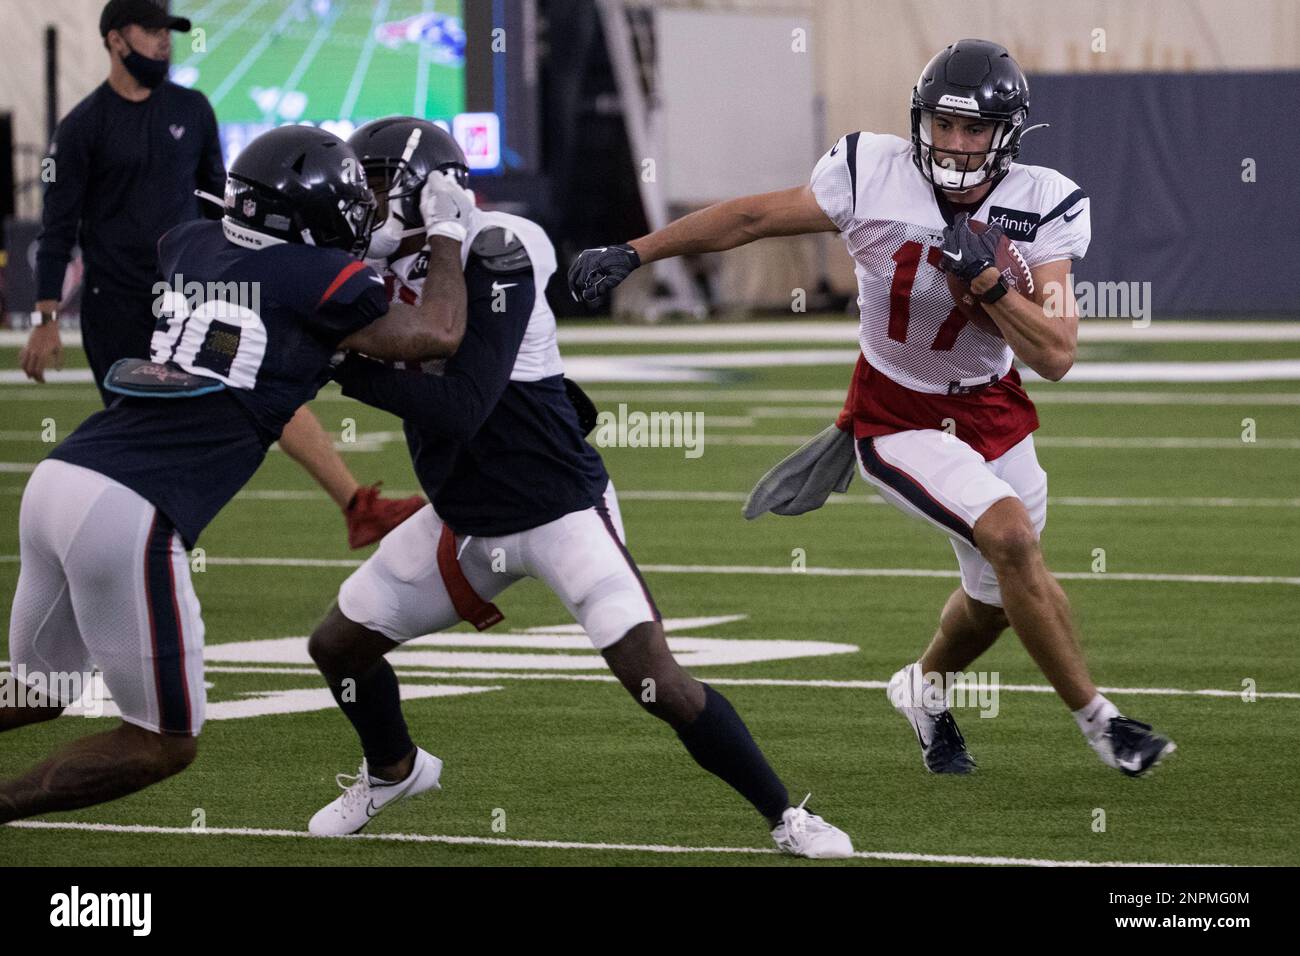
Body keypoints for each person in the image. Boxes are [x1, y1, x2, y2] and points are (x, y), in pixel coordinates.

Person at [568, 39, 1175, 779]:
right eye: (942, 125)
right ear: (919, 120)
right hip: (898, 416)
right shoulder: (871, 171)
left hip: (996, 411)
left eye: (972, 129)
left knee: (993, 599)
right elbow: (754, 218)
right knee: (1011, 541)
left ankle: (922, 689)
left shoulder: (1043, 201)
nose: (953, 145)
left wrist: (987, 283)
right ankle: (1103, 723)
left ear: (1007, 134)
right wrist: (637, 252)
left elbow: (1055, 354)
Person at [302, 117, 853, 859]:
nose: (359, 205)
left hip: (557, 505)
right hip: (464, 518)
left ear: (432, 189)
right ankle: (394, 770)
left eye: (372, 186)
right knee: (337, 646)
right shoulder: (368, 267)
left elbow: (463, 406)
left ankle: (787, 815)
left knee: (657, 681)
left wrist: (342, 365)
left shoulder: (503, 245)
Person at [0, 125, 466, 823]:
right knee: (164, 742)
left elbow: (268, 296)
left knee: (39, 690)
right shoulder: (320, 281)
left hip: (62, 478)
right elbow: (438, 332)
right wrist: (448, 234)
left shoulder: (190, 244)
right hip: (129, 510)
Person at [20, 0, 422, 549]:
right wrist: (46, 314)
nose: (164, 41)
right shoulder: (83, 126)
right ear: (115, 39)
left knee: (259, 379)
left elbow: (227, 200)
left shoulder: (193, 107)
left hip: (201, 285)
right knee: (146, 419)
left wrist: (246, 267)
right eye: (151, 29)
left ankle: (354, 503)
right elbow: (58, 224)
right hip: (118, 300)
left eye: (169, 30)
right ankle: (138, 534)